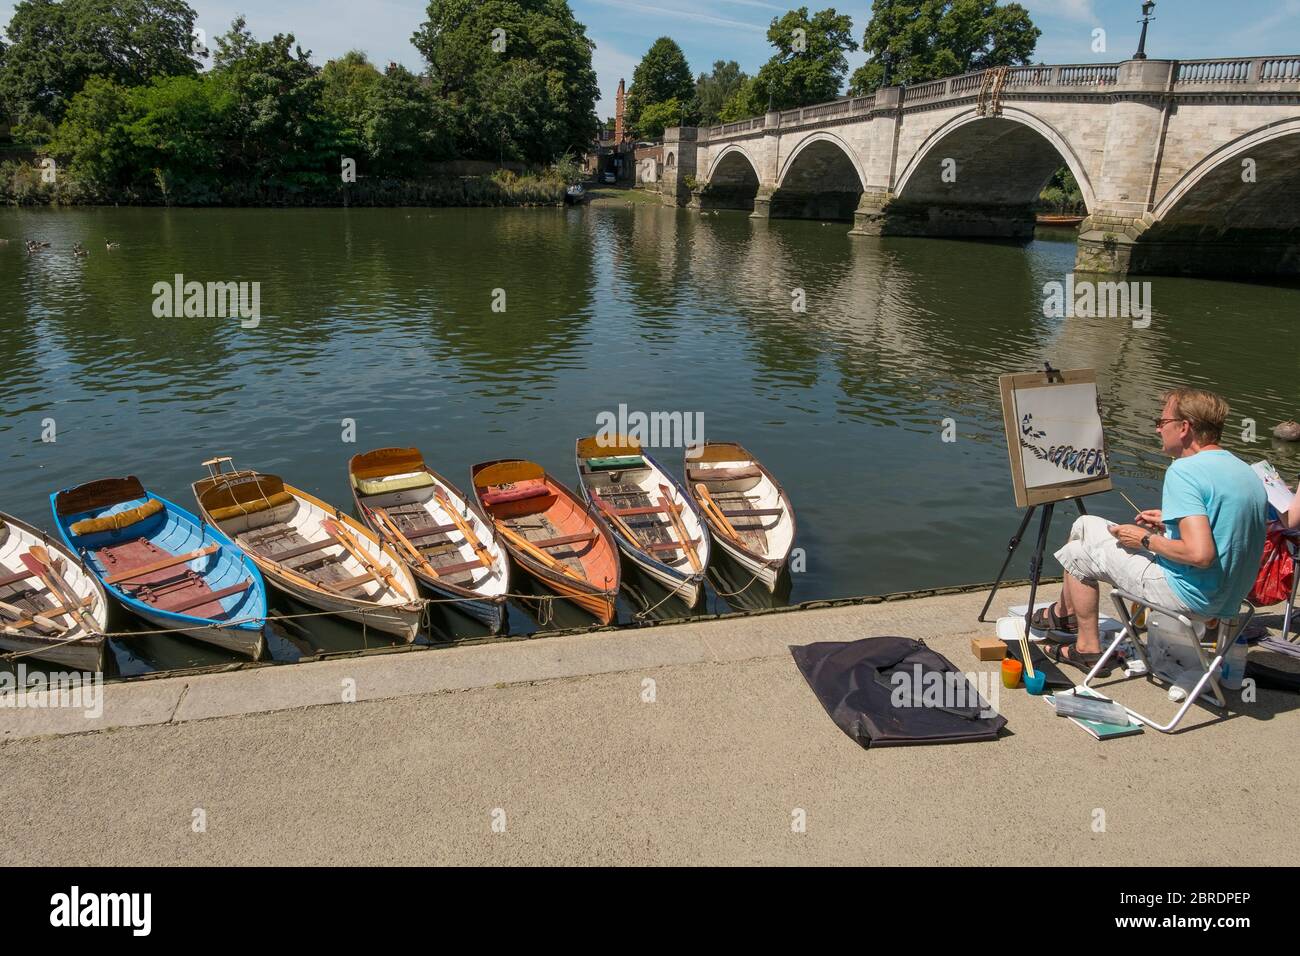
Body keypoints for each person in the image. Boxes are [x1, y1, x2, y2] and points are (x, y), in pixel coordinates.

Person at [1030, 387, 1268, 673]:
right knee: (1084, 523)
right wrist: (1171, 520)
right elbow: (1230, 529)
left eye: (1162, 422)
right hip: (1229, 598)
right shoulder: (1245, 471)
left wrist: (1144, 539)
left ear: (1184, 427)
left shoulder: (1185, 471)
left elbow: (1200, 553)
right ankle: (1064, 615)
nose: (1158, 429)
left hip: (1190, 597)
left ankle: (1087, 648)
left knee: (1076, 553)